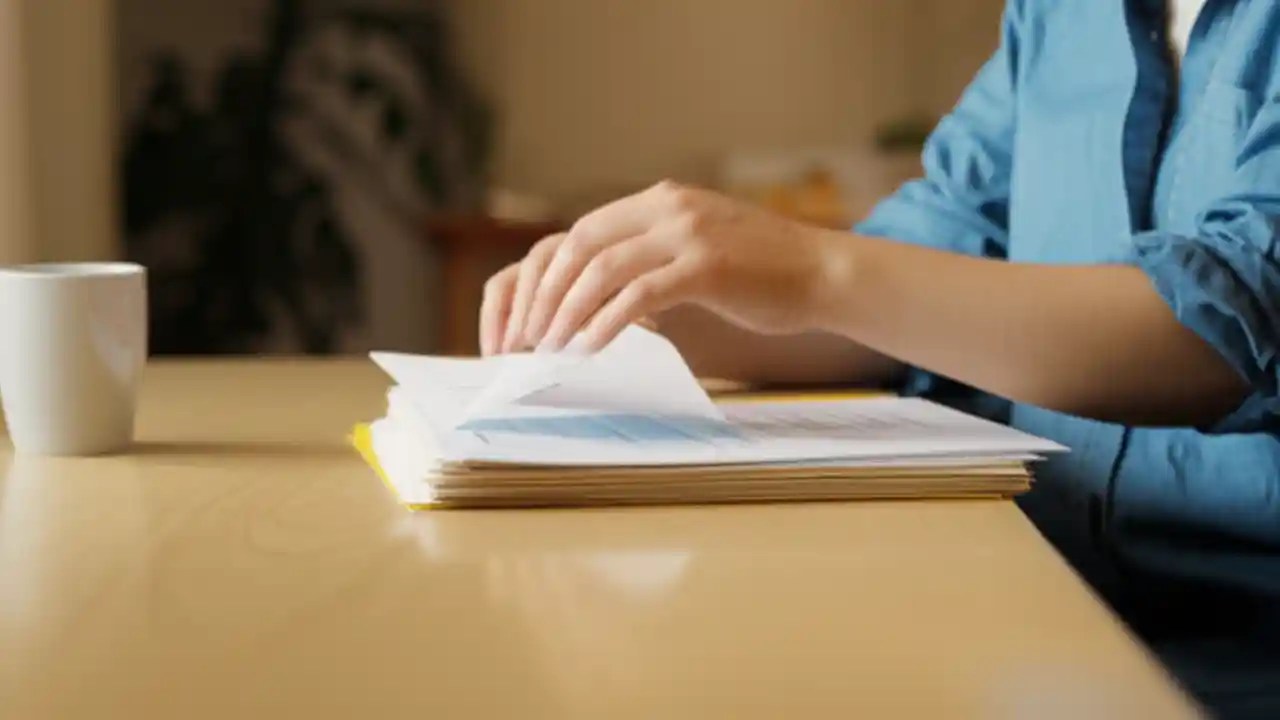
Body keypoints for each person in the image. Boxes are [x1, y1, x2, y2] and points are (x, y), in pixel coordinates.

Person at [479, 0, 1280, 715]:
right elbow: (916, 282)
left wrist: (809, 271)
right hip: (1027, 620)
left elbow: (1217, 334)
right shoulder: (1055, 15)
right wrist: (646, 302)